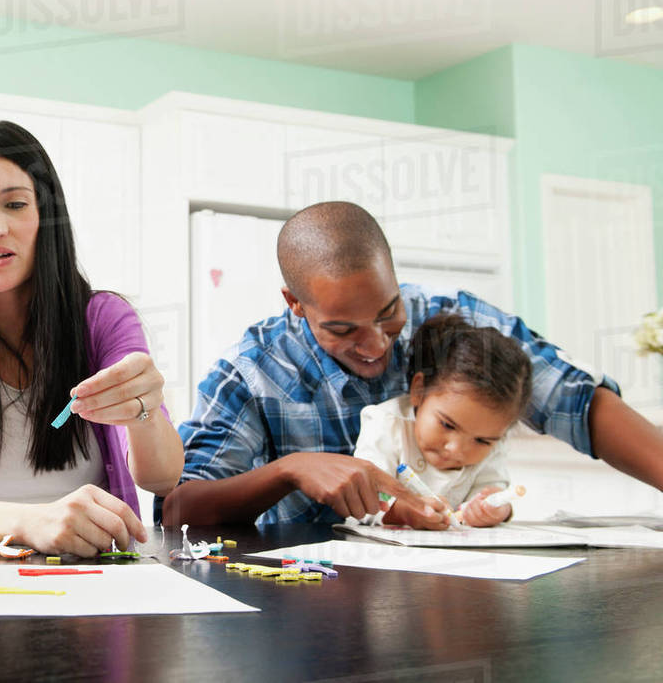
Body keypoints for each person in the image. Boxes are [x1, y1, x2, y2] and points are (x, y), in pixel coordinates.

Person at [163, 200, 663, 530]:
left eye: (389, 313)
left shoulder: (453, 320)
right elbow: (180, 508)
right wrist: (289, 471)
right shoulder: (253, 371)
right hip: (307, 611)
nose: (377, 343)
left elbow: (574, 401)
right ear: (295, 303)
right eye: (343, 329)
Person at [0, 120, 183, 557]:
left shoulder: (103, 319)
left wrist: (146, 412)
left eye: (15, 204)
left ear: (46, 215)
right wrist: (33, 522)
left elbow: (161, 479)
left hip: (95, 590)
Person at [353, 313, 532, 528]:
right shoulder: (387, 424)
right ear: (419, 390)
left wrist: (498, 508)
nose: (456, 449)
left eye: (482, 441)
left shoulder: (494, 440)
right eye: (447, 425)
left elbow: (493, 491)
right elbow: (363, 504)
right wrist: (401, 512)